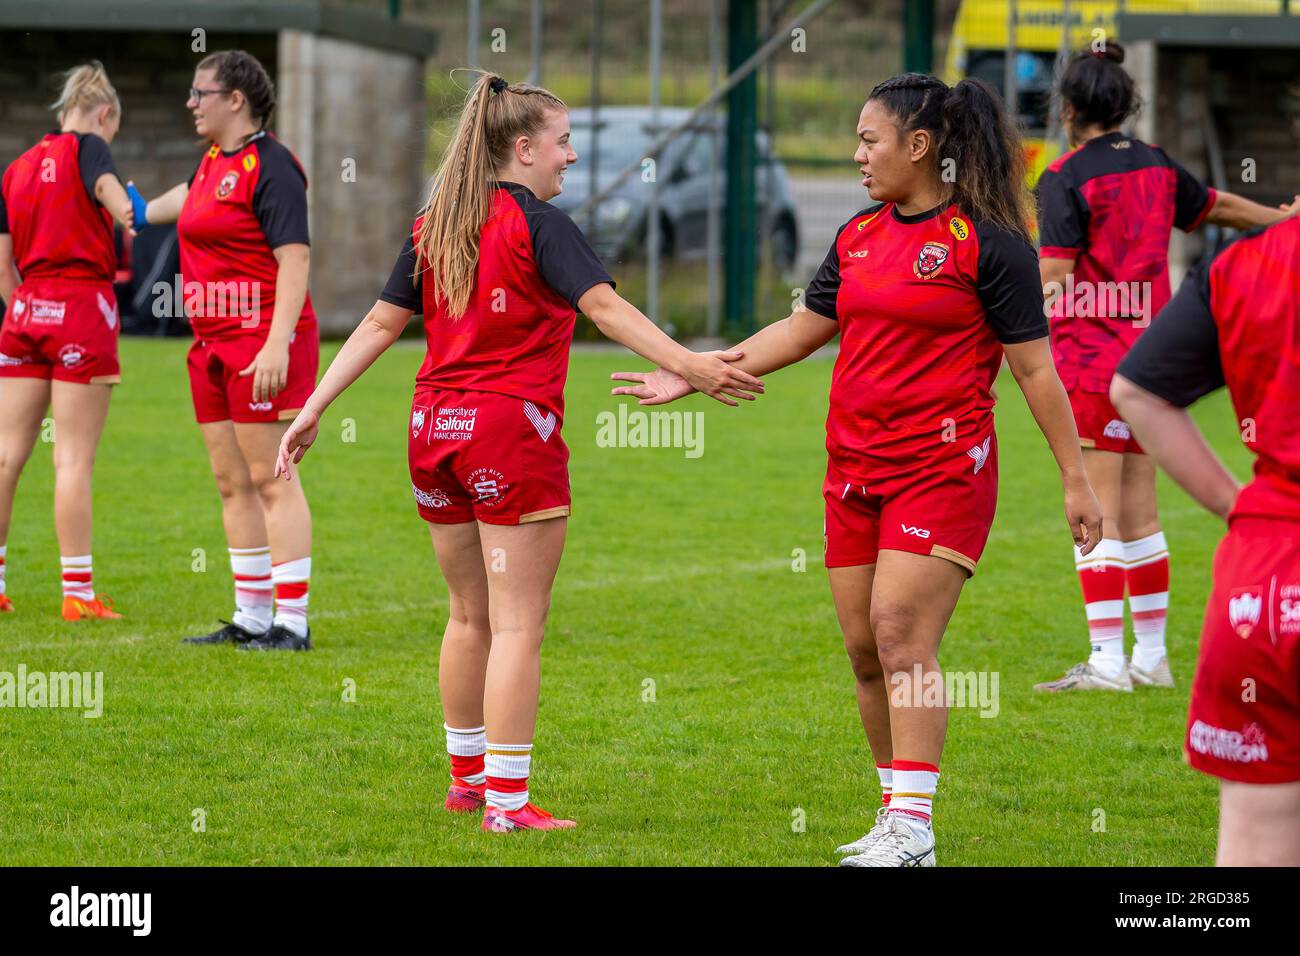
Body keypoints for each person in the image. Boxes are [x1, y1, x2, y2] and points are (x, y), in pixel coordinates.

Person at [611, 73, 1103, 866]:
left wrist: (1075, 479)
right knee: (864, 649)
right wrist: (696, 368)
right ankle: (893, 813)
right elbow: (806, 326)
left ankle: (916, 830)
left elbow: (1036, 373)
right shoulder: (858, 235)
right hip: (853, 470)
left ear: (919, 146)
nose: (857, 154)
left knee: (901, 632)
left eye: (869, 140)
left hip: (942, 468)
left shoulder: (992, 242)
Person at [274, 72, 762, 831]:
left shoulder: (434, 223)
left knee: (468, 616)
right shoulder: (539, 224)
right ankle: (506, 803)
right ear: (525, 148)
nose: (570, 157)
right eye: (563, 143)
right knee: (517, 624)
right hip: (508, 433)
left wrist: (313, 407)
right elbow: (603, 306)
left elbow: (376, 324)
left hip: (432, 430)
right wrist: (690, 363)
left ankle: (467, 782)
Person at [1033, 43, 1296, 693]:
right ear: (1127, 106)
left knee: (1098, 510)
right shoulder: (1156, 165)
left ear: (1068, 110)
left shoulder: (1065, 175)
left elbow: (1056, 274)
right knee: (1142, 513)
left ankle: (1105, 661)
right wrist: (1286, 221)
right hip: (1150, 360)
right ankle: (1150, 658)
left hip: (1090, 359)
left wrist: (997, 303)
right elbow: (1219, 209)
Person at [1111, 211, 1300, 866]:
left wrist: (1243, 509)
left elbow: (1136, 390)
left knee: (1253, 842)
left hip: (1269, 581)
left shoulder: (1245, 262)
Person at [135, 50, 317, 650]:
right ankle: (252, 617)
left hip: (262, 341)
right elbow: (180, 202)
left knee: (272, 479)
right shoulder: (214, 160)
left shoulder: (275, 166)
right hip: (212, 343)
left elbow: (295, 259)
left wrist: (276, 345)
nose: (191, 103)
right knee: (230, 480)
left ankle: (291, 624)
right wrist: (127, 209)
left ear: (235, 99)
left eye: (200, 93)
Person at [0, 62, 135, 620]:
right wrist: (133, 212)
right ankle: (77, 593)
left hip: (27, 309)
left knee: (6, 456)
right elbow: (109, 193)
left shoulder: (17, 167)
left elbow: (2, 269)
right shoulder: (89, 148)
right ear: (104, 114)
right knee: (73, 459)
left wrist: (31, 310)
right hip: (81, 308)